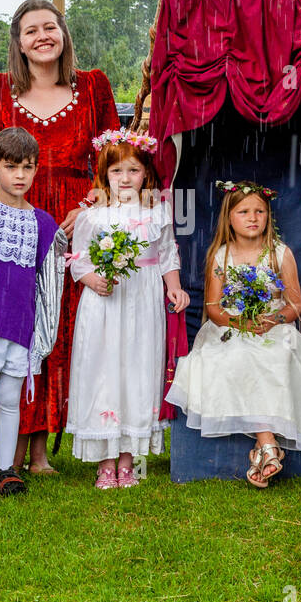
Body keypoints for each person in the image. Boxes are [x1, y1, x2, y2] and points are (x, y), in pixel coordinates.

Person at [0, 0, 121, 474]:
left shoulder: (93, 86)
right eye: (31, 30)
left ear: (63, 34)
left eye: (49, 27)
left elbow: (114, 157)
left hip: (77, 224)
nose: (42, 36)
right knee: (18, 323)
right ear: (17, 42)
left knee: (64, 328)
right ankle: (14, 450)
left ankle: (52, 445)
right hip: (15, 223)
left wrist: (95, 198)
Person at [165, 181, 301, 487]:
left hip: (272, 328)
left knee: (274, 355)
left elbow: (295, 303)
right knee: (235, 355)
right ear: (229, 217)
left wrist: (273, 319)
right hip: (230, 327)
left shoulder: (280, 253)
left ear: (268, 216)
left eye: (260, 211)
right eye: (244, 211)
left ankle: (264, 451)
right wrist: (239, 324)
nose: (253, 217)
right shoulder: (221, 256)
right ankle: (268, 444)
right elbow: (212, 307)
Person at [66, 129, 188, 489]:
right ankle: (104, 460)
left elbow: (167, 254)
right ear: (104, 174)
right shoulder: (92, 215)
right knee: (104, 369)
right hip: (105, 302)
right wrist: (91, 279)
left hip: (142, 298)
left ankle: (128, 459)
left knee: (137, 368)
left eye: (132, 170)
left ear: (145, 173)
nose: (124, 179)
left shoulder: (157, 210)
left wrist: (175, 287)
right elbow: (76, 260)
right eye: (116, 171)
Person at [0, 126, 67, 499]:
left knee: (9, 399)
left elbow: (49, 286)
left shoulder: (44, 224)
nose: (19, 176)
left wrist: (42, 335)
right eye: (11, 167)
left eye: (27, 167)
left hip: (21, 327)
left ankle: (6, 468)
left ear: (36, 170)